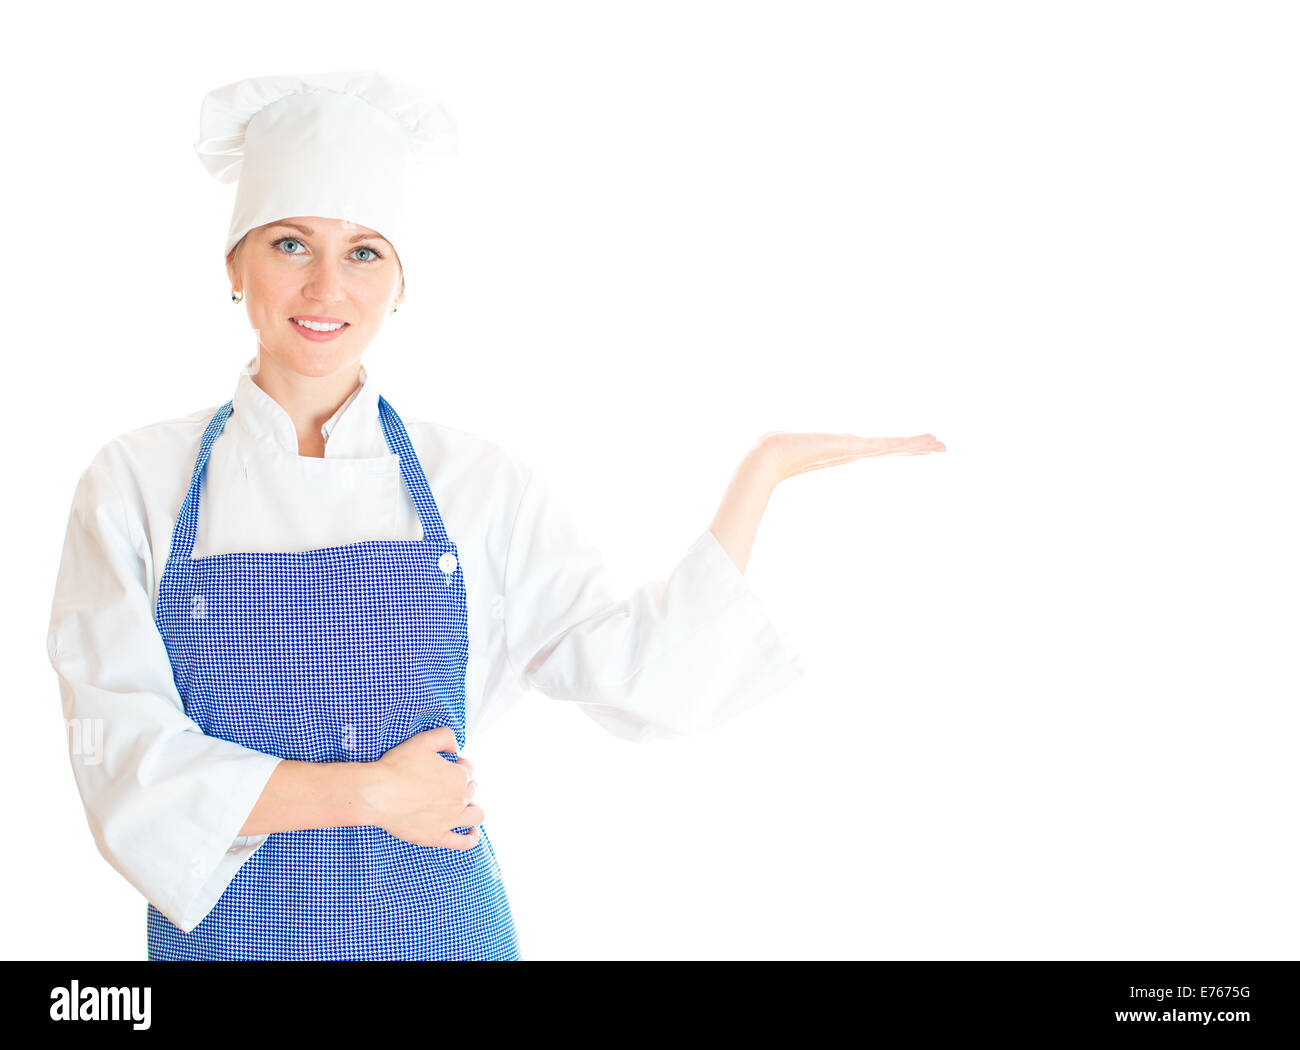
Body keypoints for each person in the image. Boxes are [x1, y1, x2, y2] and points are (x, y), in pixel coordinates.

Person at [45, 69, 945, 961]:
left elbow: (639, 672)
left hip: (442, 934)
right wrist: (373, 795)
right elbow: (125, 762)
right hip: (229, 944)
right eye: (289, 244)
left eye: (365, 252)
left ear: (402, 284)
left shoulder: (476, 483)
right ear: (234, 264)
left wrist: (763, 473)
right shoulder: (133, 483)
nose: (327, 287)